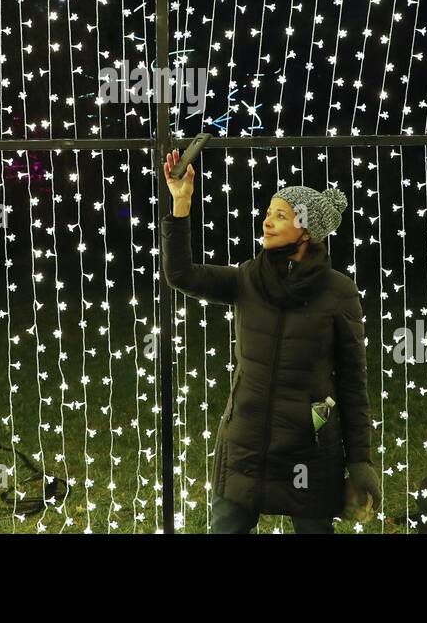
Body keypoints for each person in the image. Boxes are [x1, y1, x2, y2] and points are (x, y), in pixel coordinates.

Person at [160, 149, 384, 533]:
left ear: (308, 230)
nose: (267, 221)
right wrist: (181, 202)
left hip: (308, 448)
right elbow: (181, 274)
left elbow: (352, 383)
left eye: (280, 215)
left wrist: (360, 461)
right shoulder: (247, 278)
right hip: (245, 443)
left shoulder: (338, 292)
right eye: (267, 213)